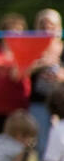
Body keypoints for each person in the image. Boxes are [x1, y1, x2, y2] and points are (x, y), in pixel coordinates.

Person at [26, 9, 63, 150]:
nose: (47, 29)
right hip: (39, 103)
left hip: (61, 103)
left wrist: (61, 75)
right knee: (43, 144)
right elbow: (21, 72)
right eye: (43, 25)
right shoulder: (31, 49)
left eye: (51, 26)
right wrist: (42, 63)